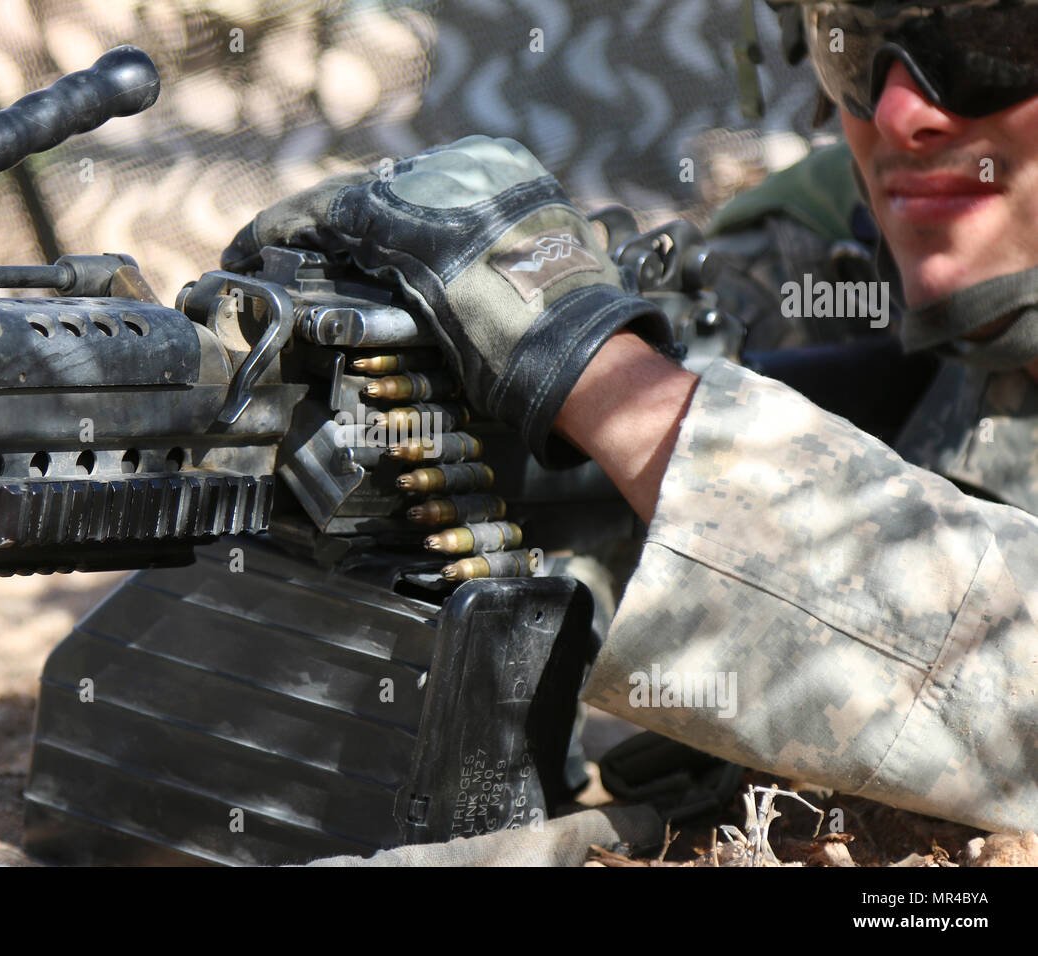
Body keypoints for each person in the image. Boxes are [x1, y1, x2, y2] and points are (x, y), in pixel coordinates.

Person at [224, 0, 1038, 844]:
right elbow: (713, 323)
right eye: (856, 41)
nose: (902, 114)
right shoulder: (833, 241)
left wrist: (593, 369)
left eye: (990, 42)